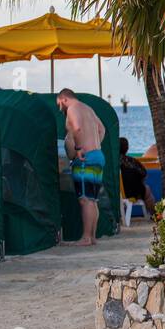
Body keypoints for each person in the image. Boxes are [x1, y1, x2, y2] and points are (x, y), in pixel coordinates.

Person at [57, 88, 106, 246]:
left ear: (64, 98)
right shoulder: (88, 108)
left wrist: (79, 149)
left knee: (85, 200)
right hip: (97, 156)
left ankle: (86, 237)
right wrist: (95, 145)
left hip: (86, 159)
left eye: (59, 104)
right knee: (93, 199)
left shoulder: (72, 108)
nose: (60, 108)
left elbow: (77, 128)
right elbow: (101, 129)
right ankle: (92, 237)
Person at [119, 137, 156, 216]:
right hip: (131, 192)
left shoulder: (113, 162)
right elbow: (144, 174)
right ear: (127, 148)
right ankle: (154, 215)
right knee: (147, 190)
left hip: (116, 191)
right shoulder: (131, 161)